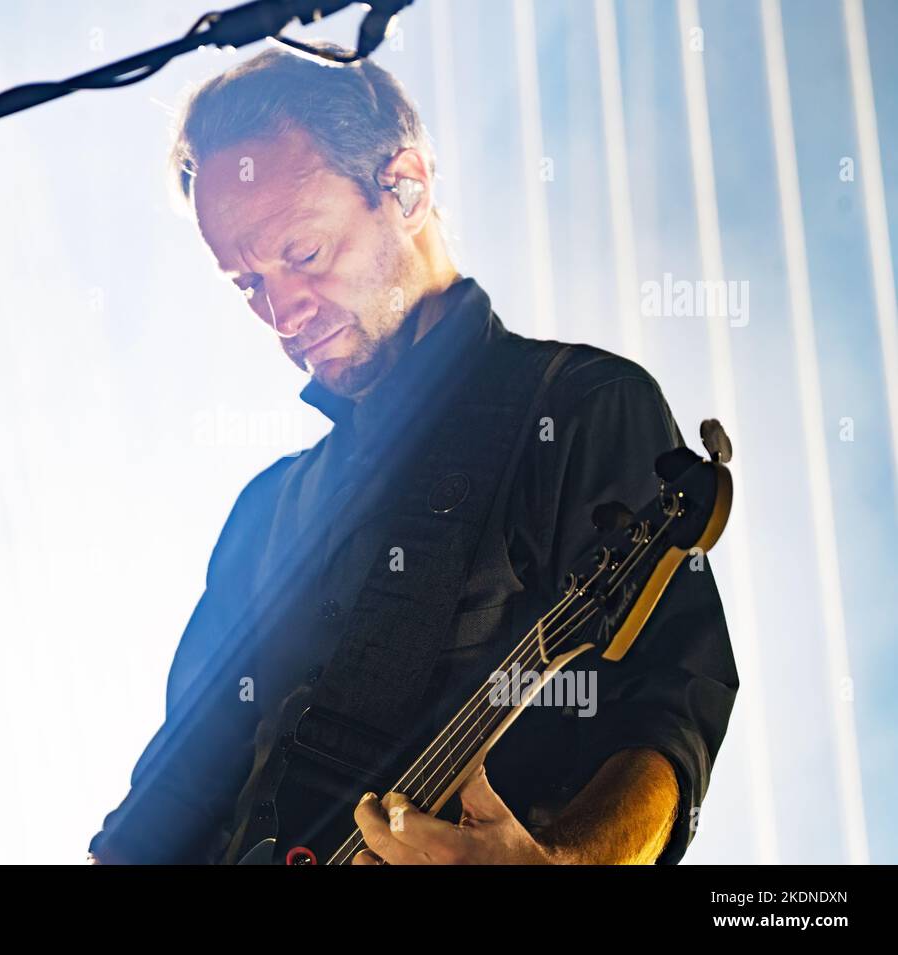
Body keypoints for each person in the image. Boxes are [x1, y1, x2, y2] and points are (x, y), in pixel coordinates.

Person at [89, 44, 738, 865]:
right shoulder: (267, 510)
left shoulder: (575, 407)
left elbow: (667, 709)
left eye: (303, 255)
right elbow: (171, 797)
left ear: (406, 186)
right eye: (247, 284)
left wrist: (566, 865)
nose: (282, 315)